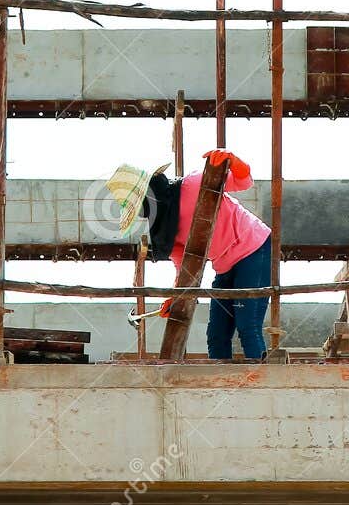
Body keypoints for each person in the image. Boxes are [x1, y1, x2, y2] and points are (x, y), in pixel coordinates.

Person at [104, 150, 273, 361]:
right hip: (225, 266)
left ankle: (261, 379)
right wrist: (175, 297)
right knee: (216, 335)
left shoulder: (194, 184)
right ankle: (219, 380)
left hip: (254, 249)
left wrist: (233, 160)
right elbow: (182, 268)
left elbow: (243, 180)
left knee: (248, 325)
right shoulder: (166, 232)